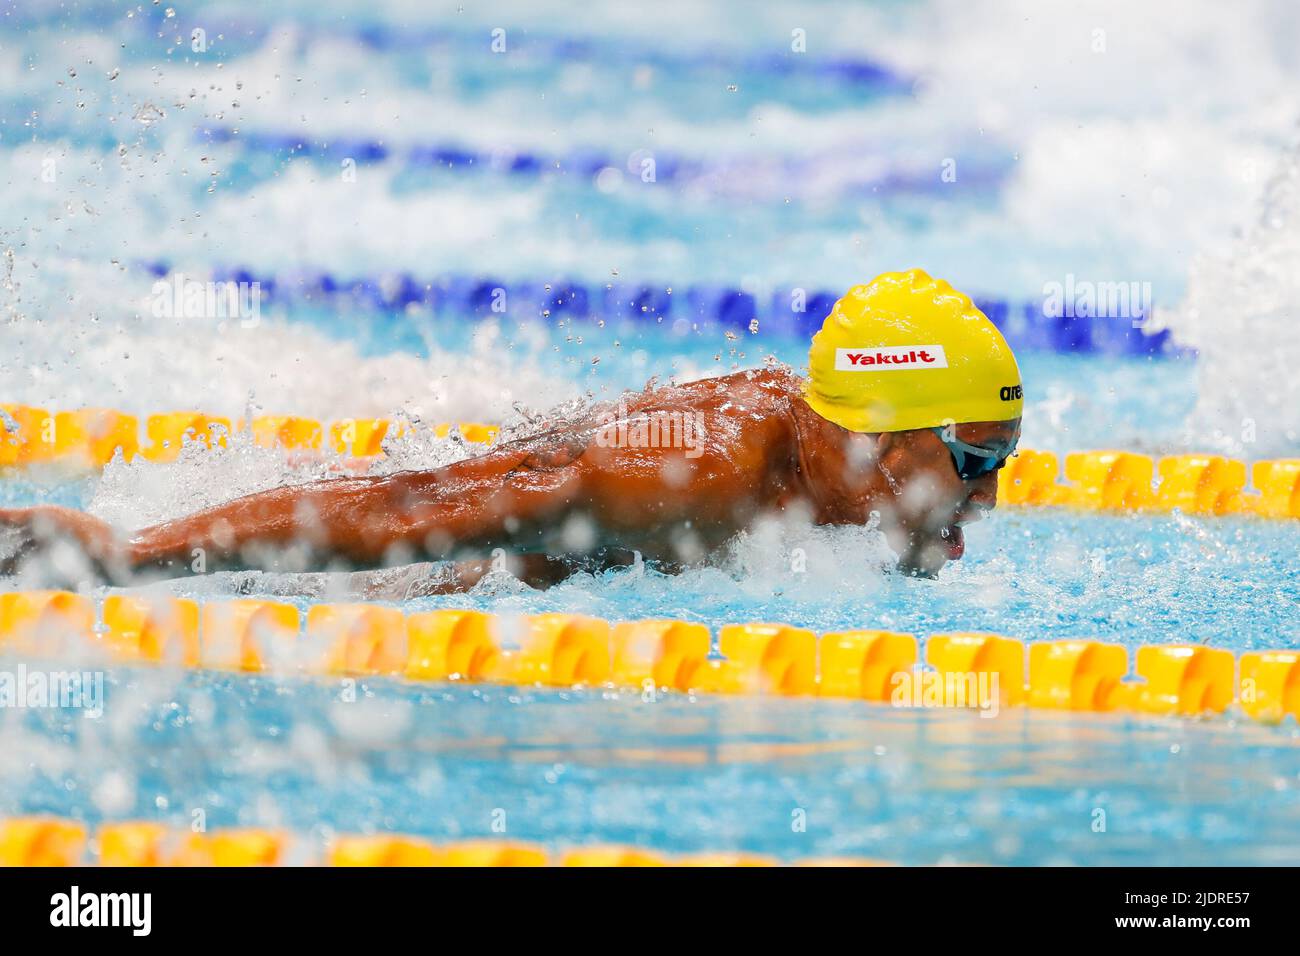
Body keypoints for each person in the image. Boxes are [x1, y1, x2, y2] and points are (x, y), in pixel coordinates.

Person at [0, 269, 1023, 590]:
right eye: (975, 462)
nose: (987, 496)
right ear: (886, 439)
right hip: (438, 577)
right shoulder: (694, 469)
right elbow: (420, 507)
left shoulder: (846, 485)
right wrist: (131, 554)